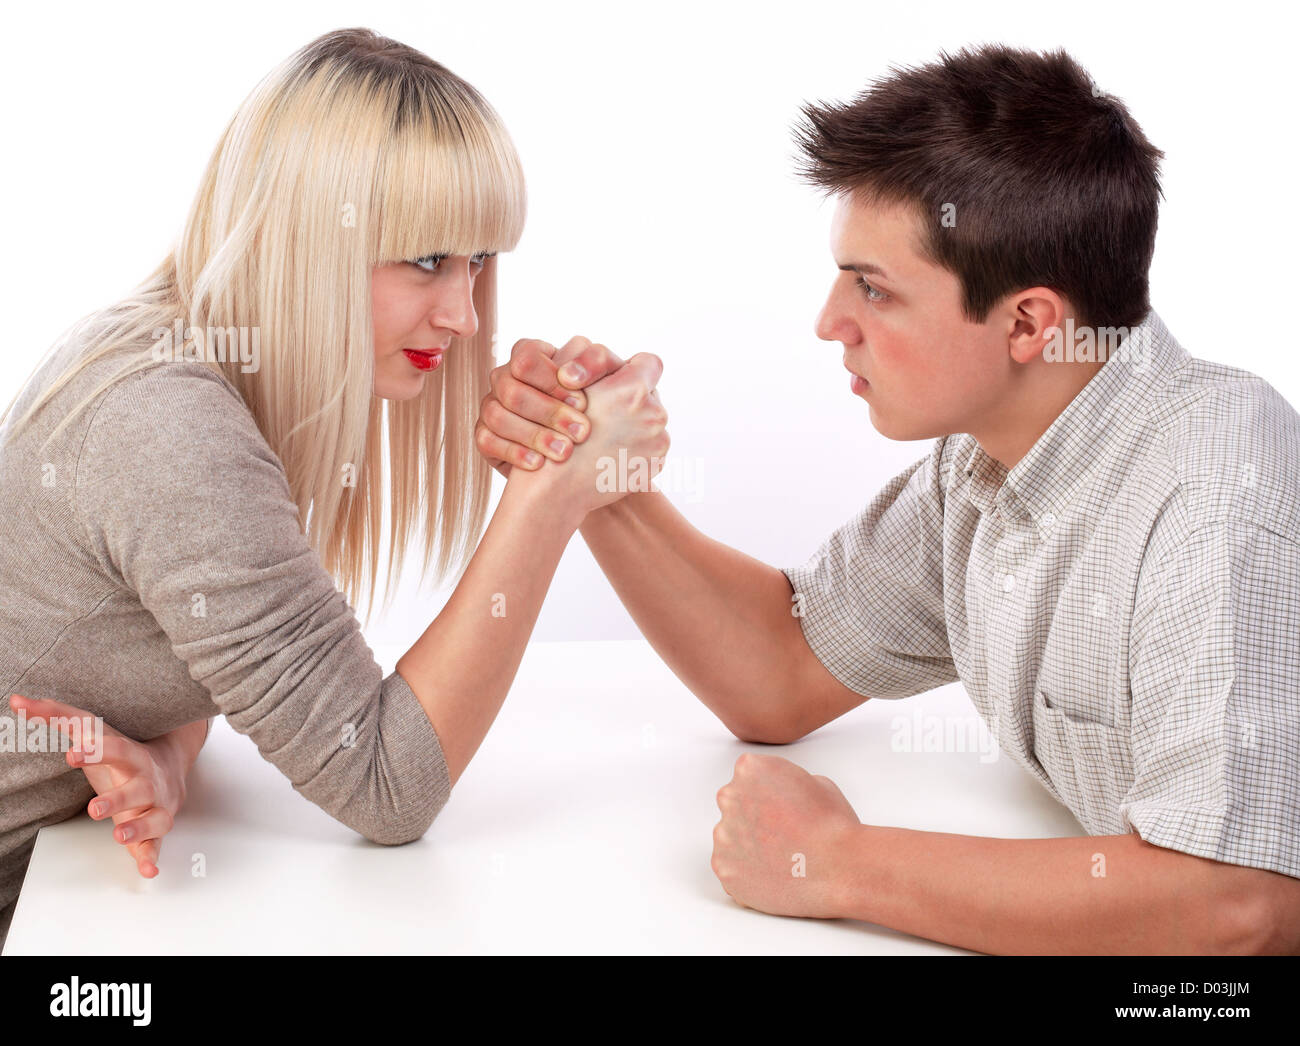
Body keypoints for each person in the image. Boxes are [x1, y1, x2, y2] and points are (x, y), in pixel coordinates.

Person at [474, 44, 1300, 953]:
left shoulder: (1218, 501)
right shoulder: (993, 459)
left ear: (1029, 323)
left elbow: (1240, 910)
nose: (830, 322)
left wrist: (836, 862)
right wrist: (599, 477)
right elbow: (779, 671)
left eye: (874, 288)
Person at [0, 27, 668, 950]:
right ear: (304, 239)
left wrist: (168, 753)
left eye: (479, 262)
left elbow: (187, 647)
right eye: (427, 259)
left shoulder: (176, 354)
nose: (465, 315)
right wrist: (550, 493)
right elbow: (386, 787)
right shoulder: (170, 429)